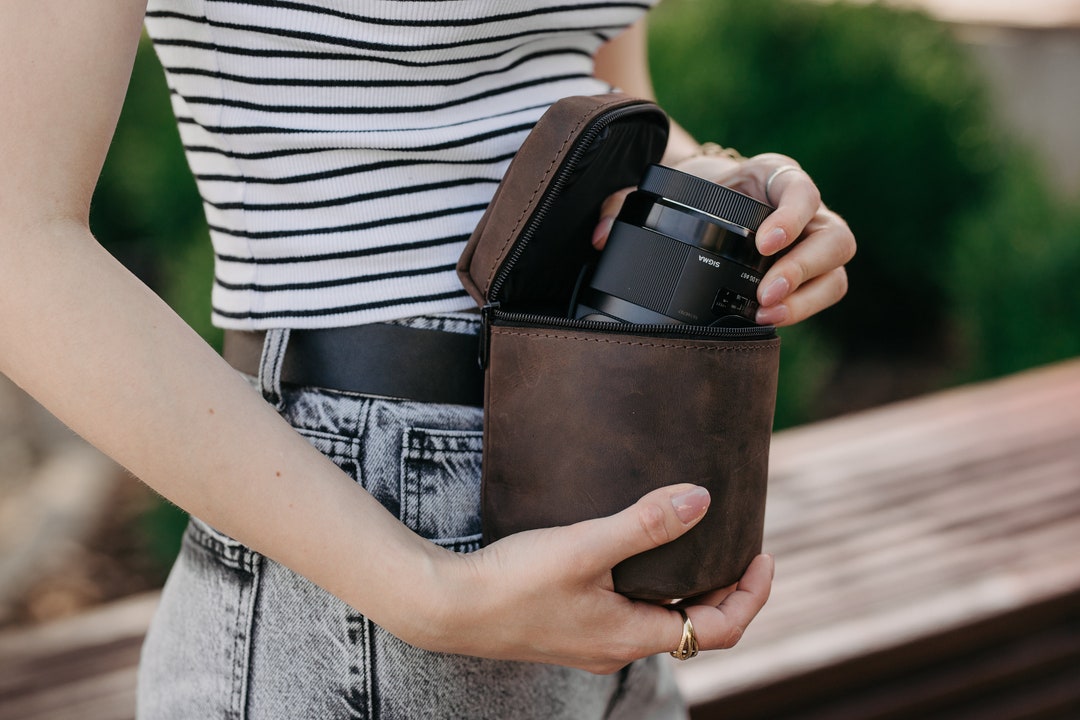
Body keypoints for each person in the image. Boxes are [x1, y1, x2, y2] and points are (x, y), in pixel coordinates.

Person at [0, 1, 854, 718]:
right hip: (366, 548)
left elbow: (586, 94)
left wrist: (719, 190)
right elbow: (17, 245)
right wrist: (428, 594)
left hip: (597, 476)